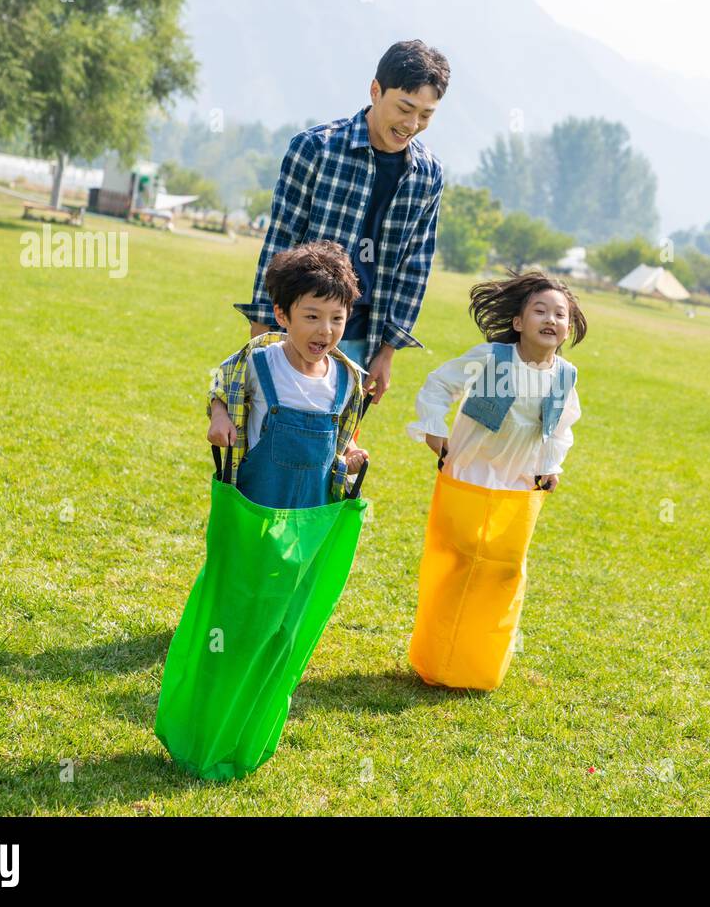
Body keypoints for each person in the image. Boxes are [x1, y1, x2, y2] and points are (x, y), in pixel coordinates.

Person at [237, 40, 450, 407]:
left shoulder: (428, 174)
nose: (412, 124)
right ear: (375, 90)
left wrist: (387, 351)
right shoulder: (316, 148)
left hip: (361, 338)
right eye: (405, 108)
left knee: (337, 456)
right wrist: (261, 329)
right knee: (271, 439)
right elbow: (280, 240)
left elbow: (415, 265)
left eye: (426, 115)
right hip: (295, 328)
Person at [404, 270, 588, 690]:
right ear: (519, 322)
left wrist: (551, 466)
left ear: (568, 328)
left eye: (560, 314)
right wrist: (433, 427)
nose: (551, 319)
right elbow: (439, 384)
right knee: (459, 561)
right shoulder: (491, 357)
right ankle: (438, 657)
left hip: (518, 485)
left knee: (504, 572)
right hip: (469, 474)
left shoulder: (565, 376)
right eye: (539, 310)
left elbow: (562, 427)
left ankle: (476, 666)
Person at [208, 241, 369, 509]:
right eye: (312, 317)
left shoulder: (347, 378)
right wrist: (219, 415)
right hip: (256, 506)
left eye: (337, 319)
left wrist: (351, 452)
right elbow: (220, 385)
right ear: (282, 315)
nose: (325, 330)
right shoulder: (260, 362)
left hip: (312, 515)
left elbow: (340, 435)